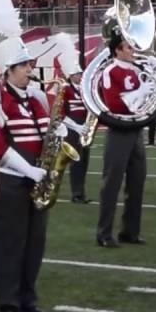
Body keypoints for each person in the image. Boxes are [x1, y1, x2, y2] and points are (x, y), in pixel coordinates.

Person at [0, 1, 54, 312]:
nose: (29, 70)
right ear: (8, 71)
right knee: (10, 242)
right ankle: (9, 302)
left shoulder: (34, 100)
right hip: (10, 179)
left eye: (28, 65)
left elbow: (45, 133)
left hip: (36, 177)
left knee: (34, 244)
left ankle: (28, 299)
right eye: (23, 65)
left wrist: (59, 132)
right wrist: (28, 170)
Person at [96, 32, 155, 247]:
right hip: (119, 130)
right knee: (112, 183)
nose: (132, 50)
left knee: (137, 182)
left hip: (136, 130)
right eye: (128, 47)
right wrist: (140, 93)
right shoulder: (110, 71)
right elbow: (114, 104)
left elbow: (148, 99)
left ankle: (130, 231)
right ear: (117, 50)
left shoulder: (136, 70)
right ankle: (104, 233)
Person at [57, 42, 92, 204]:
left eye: (80, 73)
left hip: (85, 126)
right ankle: (76, 193)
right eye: (77, 73)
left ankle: (81, 192)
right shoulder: (65, 89)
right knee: (76, 161)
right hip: (72, 128)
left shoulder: (83, 89)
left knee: (84, 161)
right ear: (71, 75)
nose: (80, 75)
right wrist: (76, 127)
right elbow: (61, 113)